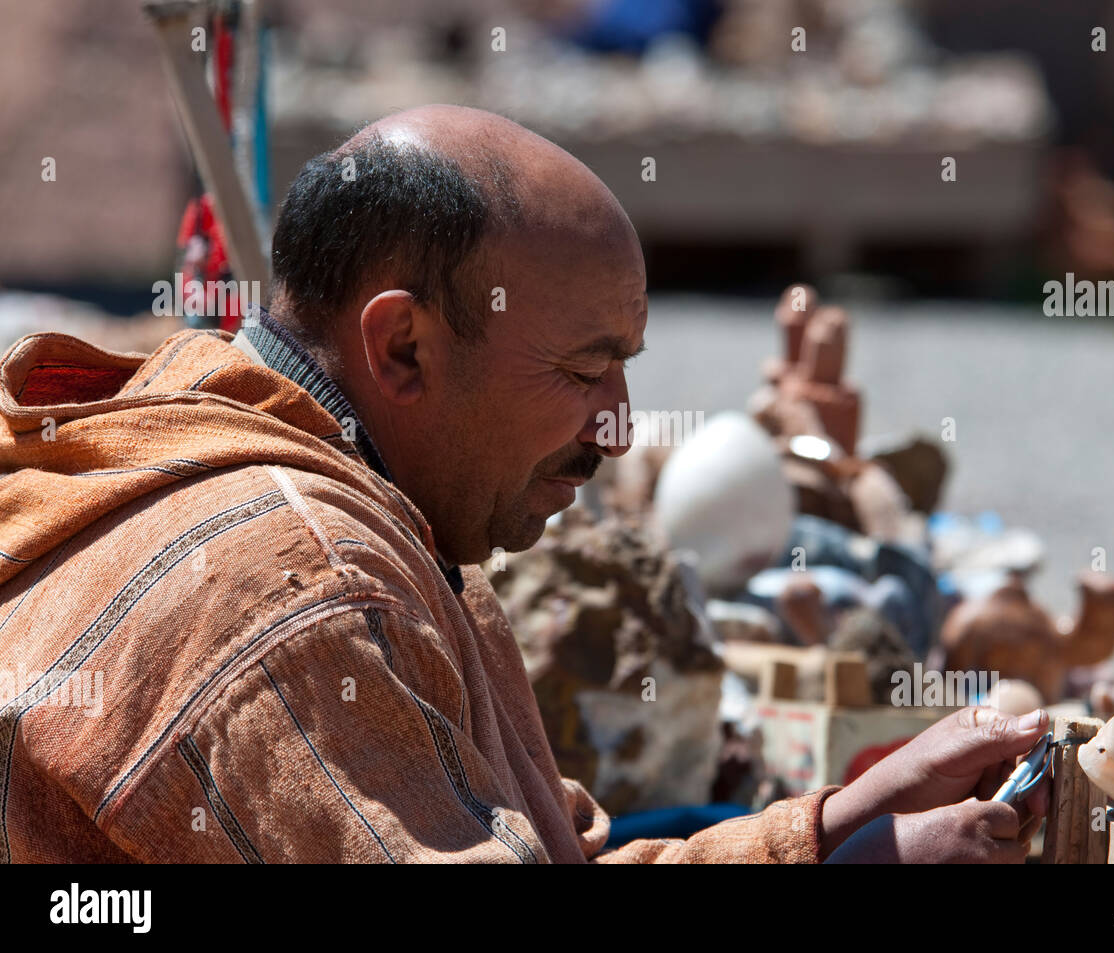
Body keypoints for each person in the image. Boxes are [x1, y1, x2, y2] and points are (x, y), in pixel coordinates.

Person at [0, 105, 1047, 862]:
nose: (622, 429)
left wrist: (830, 825)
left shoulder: (335, 500)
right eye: (584, 370)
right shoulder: (305, 590)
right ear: (402, 347)